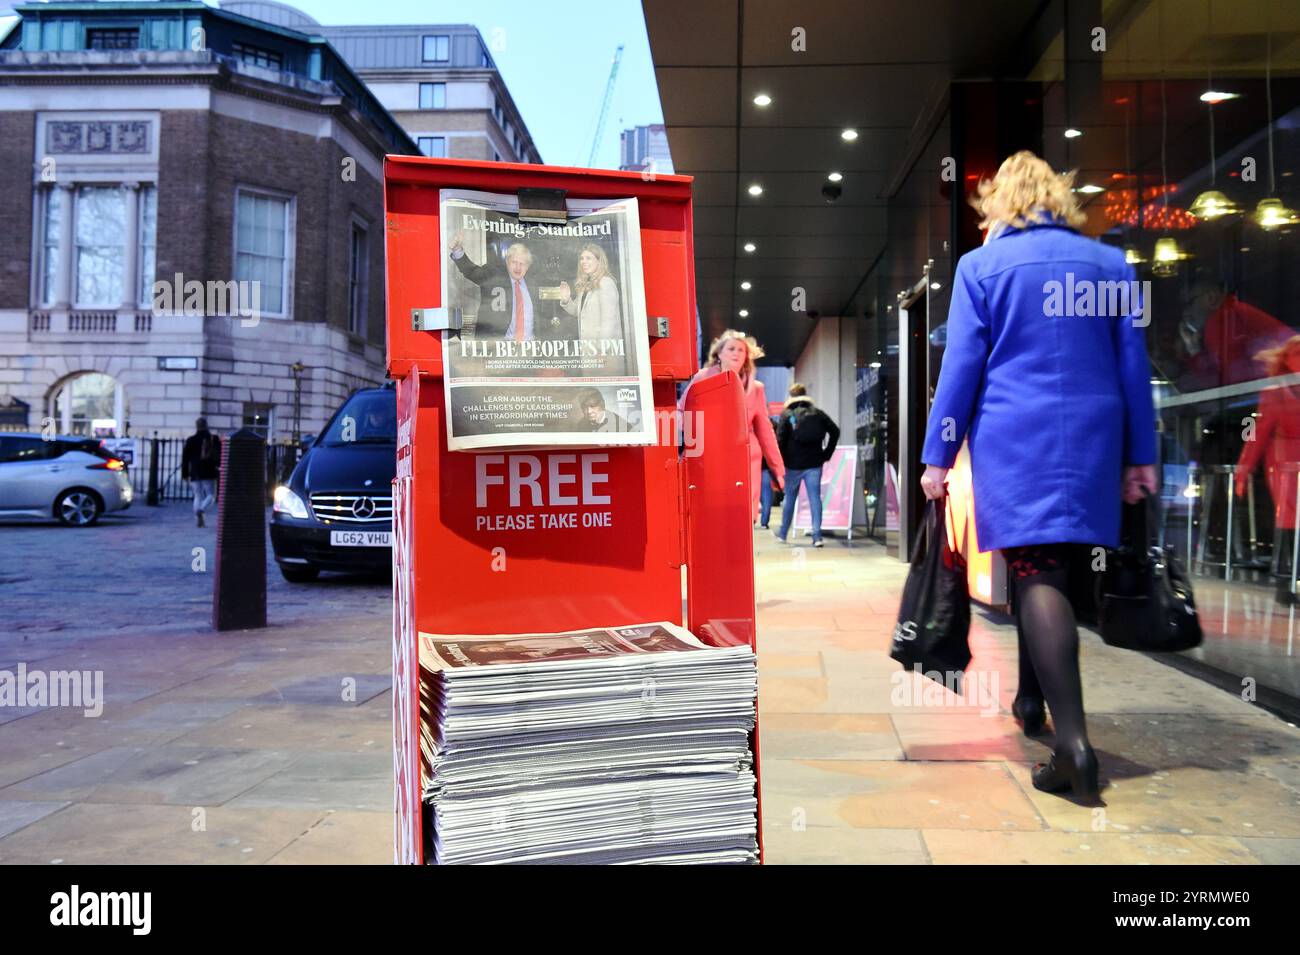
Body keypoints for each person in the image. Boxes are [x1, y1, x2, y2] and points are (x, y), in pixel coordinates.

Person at [918, 151, 1157, 804]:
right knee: (1054, 567)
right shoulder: (1109, 264)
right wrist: (1142, 456)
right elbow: (1132, 365)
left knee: (1036, 570)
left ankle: (1074, 746)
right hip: (1094, 438)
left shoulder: (983, 266)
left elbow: (963, 364)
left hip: (1016, 436)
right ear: (1058, 199)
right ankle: (1030, 698)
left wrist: (938, 456)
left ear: (1000, 203)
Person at [680, 329, 784, 521]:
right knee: (710, 519)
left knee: (741, 522)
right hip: (709, 460)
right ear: (719, 353)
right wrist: (692, 443)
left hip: (744, 462)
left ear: (746, 357)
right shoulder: (702, 378)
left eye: (741, 350)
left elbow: (765, 430)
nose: (736, 353)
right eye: (731, 349)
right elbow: (682, 411)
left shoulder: (756, 388)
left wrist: (778, 469)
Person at [1235, 335, 1300, 604]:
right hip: (1284, 465)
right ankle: (1285, 583)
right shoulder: (1275, 390)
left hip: (1290, 461)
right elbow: (1257, 433)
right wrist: (1243, 470)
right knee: (1288, 519)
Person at [448, 232, 566, 340]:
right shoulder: (494, 275)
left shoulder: (533, 283)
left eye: (522, 264)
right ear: (507, 262)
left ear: (528, 267)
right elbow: (472, 272)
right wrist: (458, 250)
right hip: (497, 348)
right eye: (514, 262)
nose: (518, 268)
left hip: (529, 350)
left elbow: (545, 312)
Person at [776, 383, 840, 547]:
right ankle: (817, 536)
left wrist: (780, 462)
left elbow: (780, 440)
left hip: (792, 465)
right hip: (814, 463)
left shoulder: (786, 414)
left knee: (790, 498)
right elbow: (835, 431)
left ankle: (783, 533)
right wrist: (827, 453)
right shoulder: (817, 413)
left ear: (791, 396)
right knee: (814, 498)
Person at [559, 243, 622, 341]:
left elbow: (609, 321)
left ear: (599, 261)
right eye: (582, 258)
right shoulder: (587, 284)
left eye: (588, 258)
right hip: (590, 349)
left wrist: (602, 351)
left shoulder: (605, 283)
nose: (584, 261)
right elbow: (577, 311)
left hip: (602, 352)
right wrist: (566, 300)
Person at [181, 417, 222, 528]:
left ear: (197, 426)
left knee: (197, 495)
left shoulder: (190, 440)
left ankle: (199, 521)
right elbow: (219, 455)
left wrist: (184, 473)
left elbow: (185, 459)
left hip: (195, 471)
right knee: (211, 495)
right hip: (208, 470)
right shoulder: (213, 438)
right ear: (206, 425)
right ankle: (201, 510)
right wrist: (219, 466)